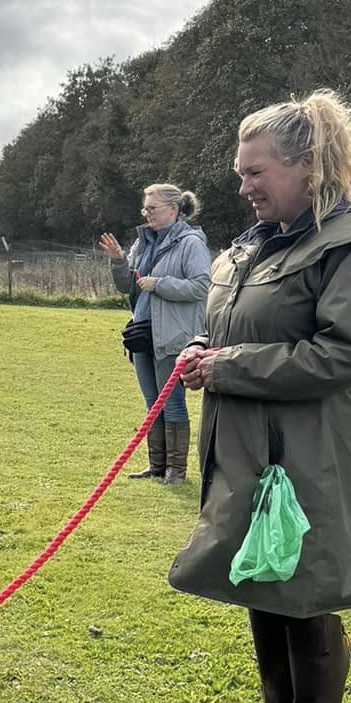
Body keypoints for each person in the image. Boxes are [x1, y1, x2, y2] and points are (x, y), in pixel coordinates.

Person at [169, 91, 351, 703]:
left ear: (307, 165)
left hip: (304, 456)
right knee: (263, 585)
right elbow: (250, 323)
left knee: (303, 597)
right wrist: (212, 346)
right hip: (246, 452)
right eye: (241, 172)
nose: (242, 186)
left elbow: (342, 356)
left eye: (255, 171)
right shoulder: (255, 243)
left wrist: (229, 366)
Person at [99, 185, 210, 483]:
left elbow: (201, 286)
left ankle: (176, 471)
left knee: (171, 403)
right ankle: (156, 465)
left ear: (173, 210)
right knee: (152, 403)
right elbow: (128, 286)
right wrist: (119, 260)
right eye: (145, 208)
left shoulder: (190, 243)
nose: (146, 213)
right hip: (142, 334)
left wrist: (160, 283)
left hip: (172, 336)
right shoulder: (142, 243)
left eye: (152, 208)